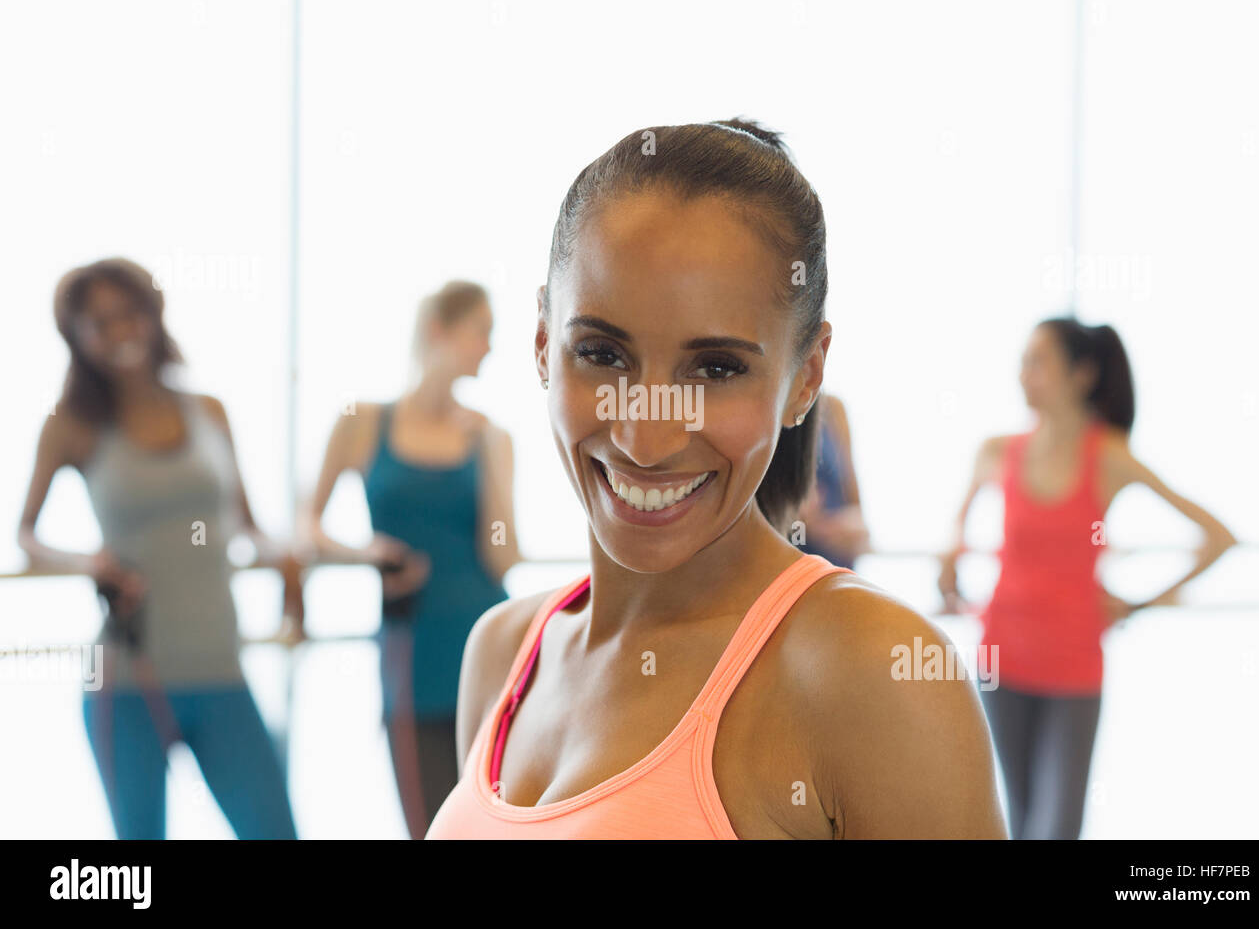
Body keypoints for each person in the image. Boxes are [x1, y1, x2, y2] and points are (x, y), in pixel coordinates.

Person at [426, 118, 1007, 839]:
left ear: (807, 377)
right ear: (544, 341)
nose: (644, 435)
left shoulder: (872, 675)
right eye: (603, 353)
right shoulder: (503, 653)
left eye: (716, 369)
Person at [17, 257, 298, 839]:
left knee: (275, 831)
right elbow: (27, 536)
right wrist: (88, 562)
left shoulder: (209, 411)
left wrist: (288, 556)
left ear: (152, 313)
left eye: (127, 314)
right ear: (76, 337)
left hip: (221, 667)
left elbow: (248, 526)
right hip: (124, 682)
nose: (117, 330)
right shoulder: (70, 425)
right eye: (97, 322)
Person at [937, 317, 1237, 839]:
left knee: (1058, 828)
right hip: (1002, 657)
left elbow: (1217, 537)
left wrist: (1141, 604)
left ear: (1082, 374)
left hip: (1075, 666)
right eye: (1023, 361)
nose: (1024, 374)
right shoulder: (996, 451)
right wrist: (952, 562)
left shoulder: (1110, 457)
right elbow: (956, 530)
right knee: (1015, 820)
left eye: (1038, 361)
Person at [305, 280, 520, 838]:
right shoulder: (360, 422)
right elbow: (306, 526)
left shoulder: (490, 436)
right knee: (430, 826)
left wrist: (490, 459)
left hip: (492, 650)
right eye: (482, 332)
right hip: (411, 653)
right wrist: (364, 552)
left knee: (500, 825)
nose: (490, 349)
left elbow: (504, 558)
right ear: (439, 331)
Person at [795, 392, 871, 568]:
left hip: (835, 560)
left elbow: (856, 509)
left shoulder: (833, 408)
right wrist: (798, 519)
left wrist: (854, 528)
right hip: (793, 556)